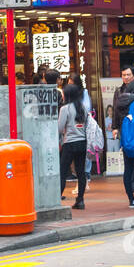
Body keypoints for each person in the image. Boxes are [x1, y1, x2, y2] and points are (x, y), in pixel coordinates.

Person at [58, 82, 89, 210]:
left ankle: (56, 200)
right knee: (81, 172)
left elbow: (59, 128)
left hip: (69, 143)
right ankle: (80, 200)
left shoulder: (65, 109)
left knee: (63, 171)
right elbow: (87, 125)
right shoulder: (83, 107)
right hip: (82, 142)